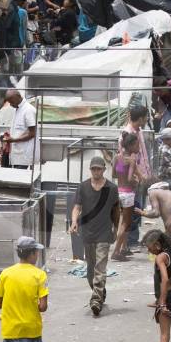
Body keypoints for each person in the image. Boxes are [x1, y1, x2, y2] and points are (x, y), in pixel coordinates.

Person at [69, 155, 119, 316]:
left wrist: (116, 228)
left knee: (100, 267)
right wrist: (74, 222)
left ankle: (96, 300)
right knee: (91, 270)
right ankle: (99, 291)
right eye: (94, 169)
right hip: (87, 233)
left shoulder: (111, 188)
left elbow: (116, 210)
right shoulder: (83, 187)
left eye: (99, 169)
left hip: (104, 233)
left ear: (104, 169)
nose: (96, 171)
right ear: (90, 170)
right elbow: (77, 207)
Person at [112, 133, 144, 261]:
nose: (138, 147)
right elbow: (130, 179)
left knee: (122, 222)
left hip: (118, 192)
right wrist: (137, 181)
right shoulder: (131, 160)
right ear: (130, 146)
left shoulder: (117, 158)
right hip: (128, 194)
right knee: (125, 224)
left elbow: (114, 174)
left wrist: (124, 177)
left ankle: (123, 248)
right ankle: (116, 251)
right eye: (137, 145)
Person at [1, 89, 38, 169]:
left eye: (12, 102)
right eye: (9, 103)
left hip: (25, 154)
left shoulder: (28, 110)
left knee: (21, 175)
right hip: (17, 154)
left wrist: (13, 140)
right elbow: (20, 130)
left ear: (18, 97)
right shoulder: (18, 109)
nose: (11, 105)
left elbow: (32, 133)